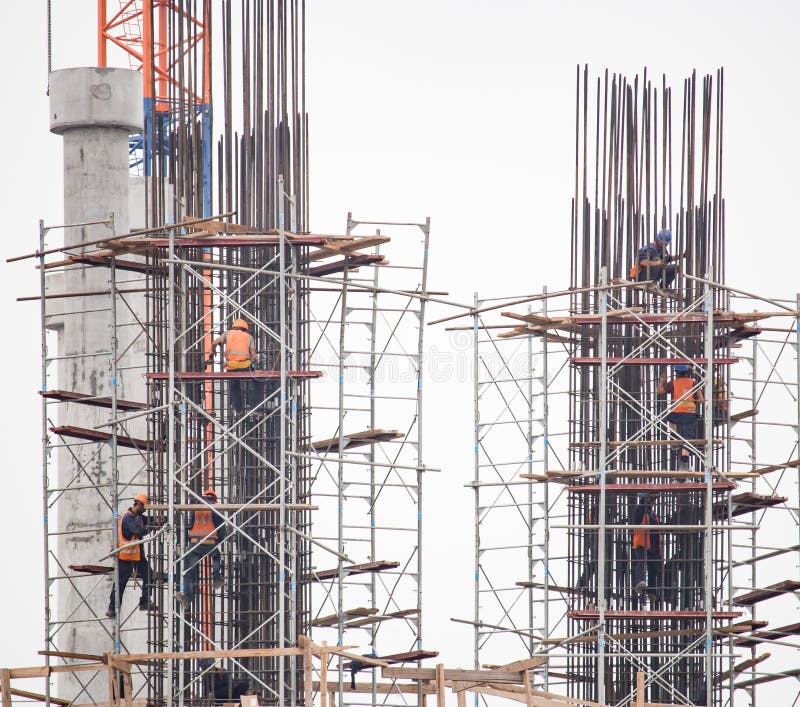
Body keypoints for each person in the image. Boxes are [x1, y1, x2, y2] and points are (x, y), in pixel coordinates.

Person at [176, 488, 227, 608]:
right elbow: (221, 529)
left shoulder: (196, 509)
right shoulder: (215, 510)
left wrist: (190, 541)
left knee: (188, 572)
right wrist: (218, 541)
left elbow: (191, 525)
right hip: (210, 541)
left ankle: (187, 598)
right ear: (214, 500)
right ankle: (215, 578)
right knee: (216, 557)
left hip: (195, 543)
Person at [107, 493, 157, 617]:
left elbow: (148, 520)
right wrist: (151, 527)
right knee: (120, 583)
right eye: (144, 507)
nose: (145, 509)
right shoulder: (128, 517)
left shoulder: (138, 517)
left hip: (137, 556)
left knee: (149, 576)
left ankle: (145, 602)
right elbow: (138, 530)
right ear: (138, 504)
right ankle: (112, 608)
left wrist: (160, 519)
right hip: (125, 557)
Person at [206, 318, 265, 413]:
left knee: (234, 386)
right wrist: (258, 359)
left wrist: (212, 351)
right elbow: (254, 356)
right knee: (259, 381)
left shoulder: (227, 333)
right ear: (245, 329)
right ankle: (256, 407)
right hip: (245, 367)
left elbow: (214, 343)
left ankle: (238, 409)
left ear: (234, 327)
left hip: (231, 367)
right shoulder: (249, 337)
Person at [657, 364, 704, 470]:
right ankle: (684, 464)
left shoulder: (673, 383)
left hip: (677, 412)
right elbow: (701, 400)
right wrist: (692, 402)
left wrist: (661, 381)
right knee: (687, 439)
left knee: (669, 418)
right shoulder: (693, 382)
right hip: (690, 414)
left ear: (676, 373)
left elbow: (659, 392)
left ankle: (674, 436)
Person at [631, 492, 662, 604]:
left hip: (653, 545)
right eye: (651, 499)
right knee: (641, 562)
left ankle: (651, 591)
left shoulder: (653, 514)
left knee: (653, 568)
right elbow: (638, 518)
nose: (653, 502)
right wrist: (645, 501)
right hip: (642, 543)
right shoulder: (639, 510)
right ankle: (639, 582)